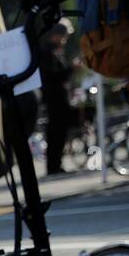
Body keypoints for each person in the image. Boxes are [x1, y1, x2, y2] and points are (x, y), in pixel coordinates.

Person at [40, 19, 76, 176]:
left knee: (58, 132)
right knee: (56, 132)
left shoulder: (53, 51)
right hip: (55, 99)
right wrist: (71, 69)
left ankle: (56, 163)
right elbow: (53, 77)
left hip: (57, 98)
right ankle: (54, 165)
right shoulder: (48, 52)